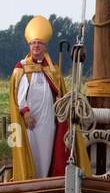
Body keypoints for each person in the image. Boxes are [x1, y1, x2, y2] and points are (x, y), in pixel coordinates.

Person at [7, 16, 72, 180]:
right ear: (29, 46)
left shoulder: (53, 69)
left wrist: (60, 101)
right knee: (31, 152)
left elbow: (60, 93)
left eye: (39, 43)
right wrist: (26, 112)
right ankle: (29, 180)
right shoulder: (22, 67)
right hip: (29, 121)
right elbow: (19, 95)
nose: (36, 46)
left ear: (45, 47)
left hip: (48, 120)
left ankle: (44, 181)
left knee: (46, 153)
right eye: (33, 43)